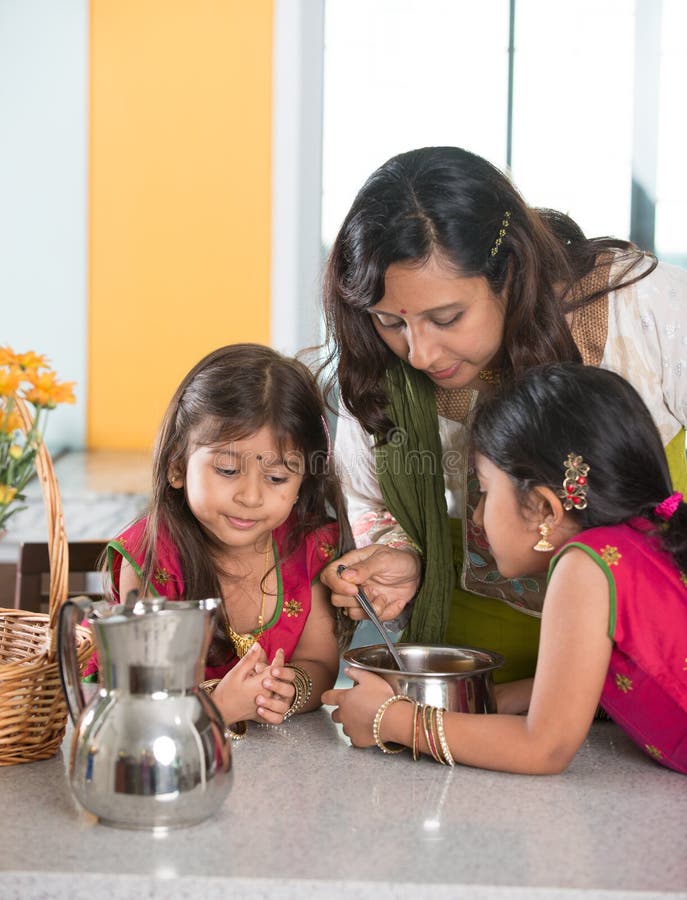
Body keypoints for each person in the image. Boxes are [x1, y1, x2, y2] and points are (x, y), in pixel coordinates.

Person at [319, 145, 687, 682]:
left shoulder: (643, 313)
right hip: (478, 676)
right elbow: (368, 495)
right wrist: (398, 557)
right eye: (389, 321)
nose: (418, 354)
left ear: (508, 271)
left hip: (651, 668)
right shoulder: (378, 371)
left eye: (446, 317)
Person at [323, 363, 687, 774]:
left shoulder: (586, 564)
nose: (476, 518)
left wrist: (390, 719)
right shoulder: (647, 536)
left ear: (544, 509)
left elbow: (543, 749)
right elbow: (577, 685)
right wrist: (479, 701)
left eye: (485, 491)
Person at [86, 343, 353, 730]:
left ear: (303, 482)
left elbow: (320, 663)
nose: (250, 496)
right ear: (177, 466)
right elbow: (139, 696)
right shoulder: (152, 557)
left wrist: (291, 689)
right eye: (227, 470)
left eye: (277, 478)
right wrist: (218, 707)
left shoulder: (312, 548)